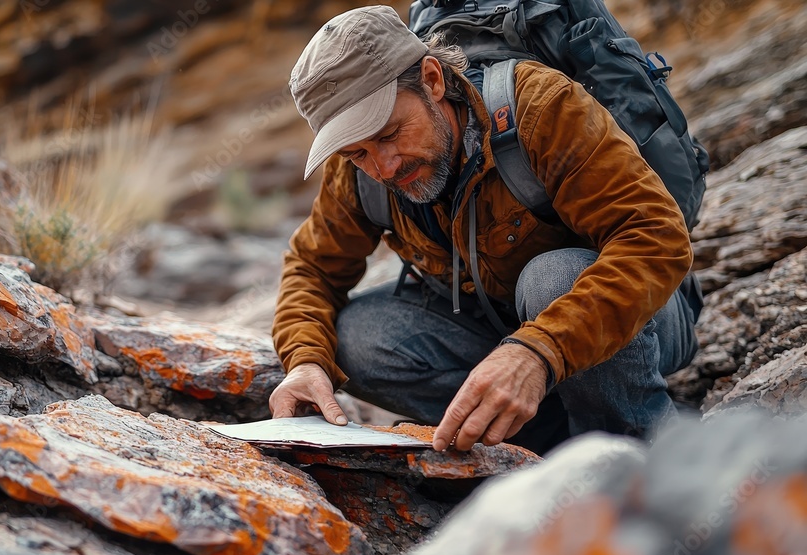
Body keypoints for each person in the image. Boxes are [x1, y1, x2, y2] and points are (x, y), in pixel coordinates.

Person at [269, 5, 699, 455]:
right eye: (357, 153)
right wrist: (304, 361)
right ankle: (535, 446)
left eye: (390, 133)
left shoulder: (541, 107)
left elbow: (655, 237)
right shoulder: (358, 171)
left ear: (433, 80)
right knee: (357, 336)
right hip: (499, 327)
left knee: (552, 278)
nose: (385, 166)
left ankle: (640, 451)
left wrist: (538, 351)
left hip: (639, 317)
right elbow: (312, 267)